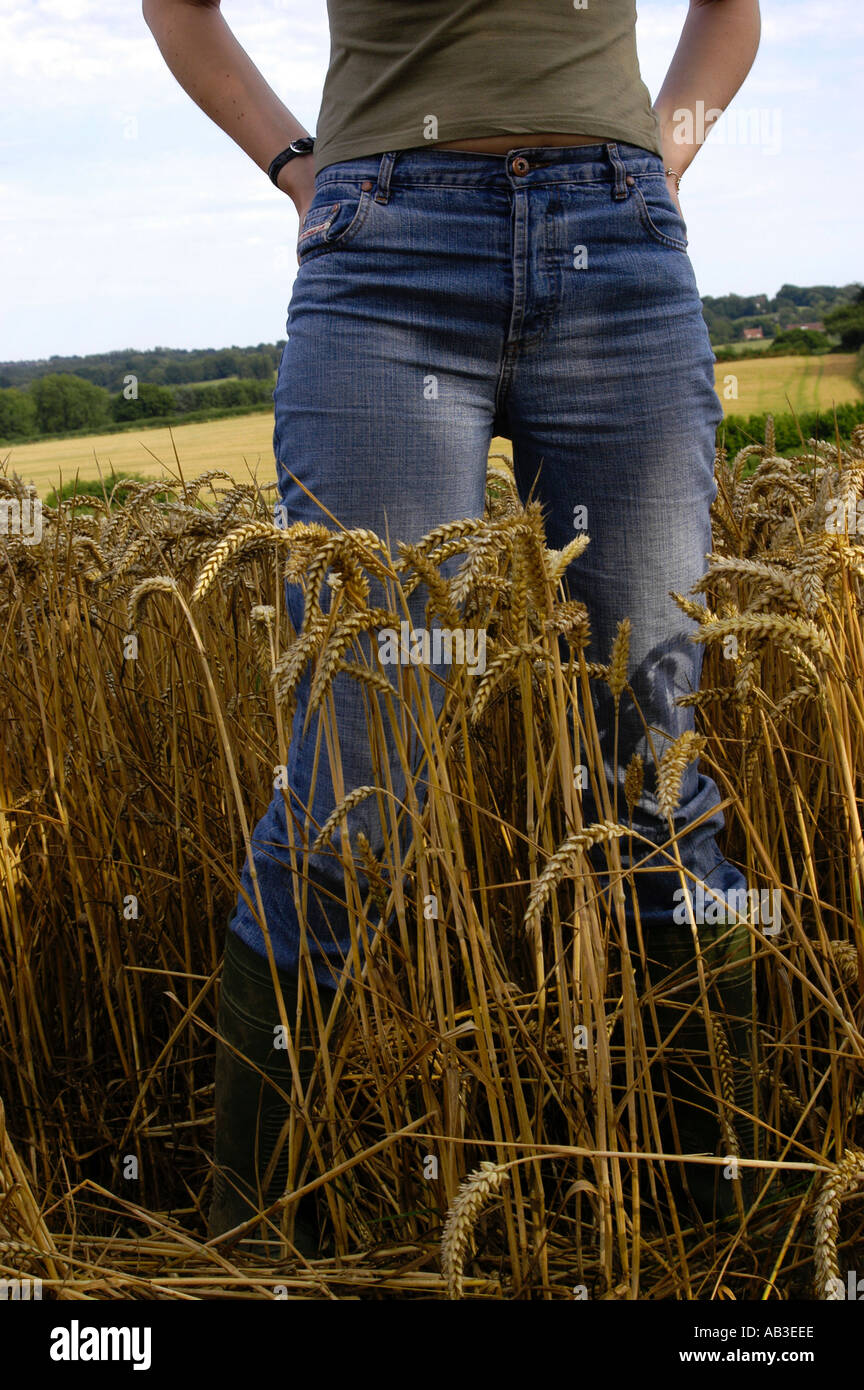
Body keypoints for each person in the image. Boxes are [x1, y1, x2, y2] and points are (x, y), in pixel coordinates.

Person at [143, 0, 763, 1251]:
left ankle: (734, 1237)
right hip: (384, 257)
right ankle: (251, 1247)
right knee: (348, 796)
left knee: (657, 774)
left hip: (620, 242)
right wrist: (296, 168)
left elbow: (731, 14)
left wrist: (662, 162)